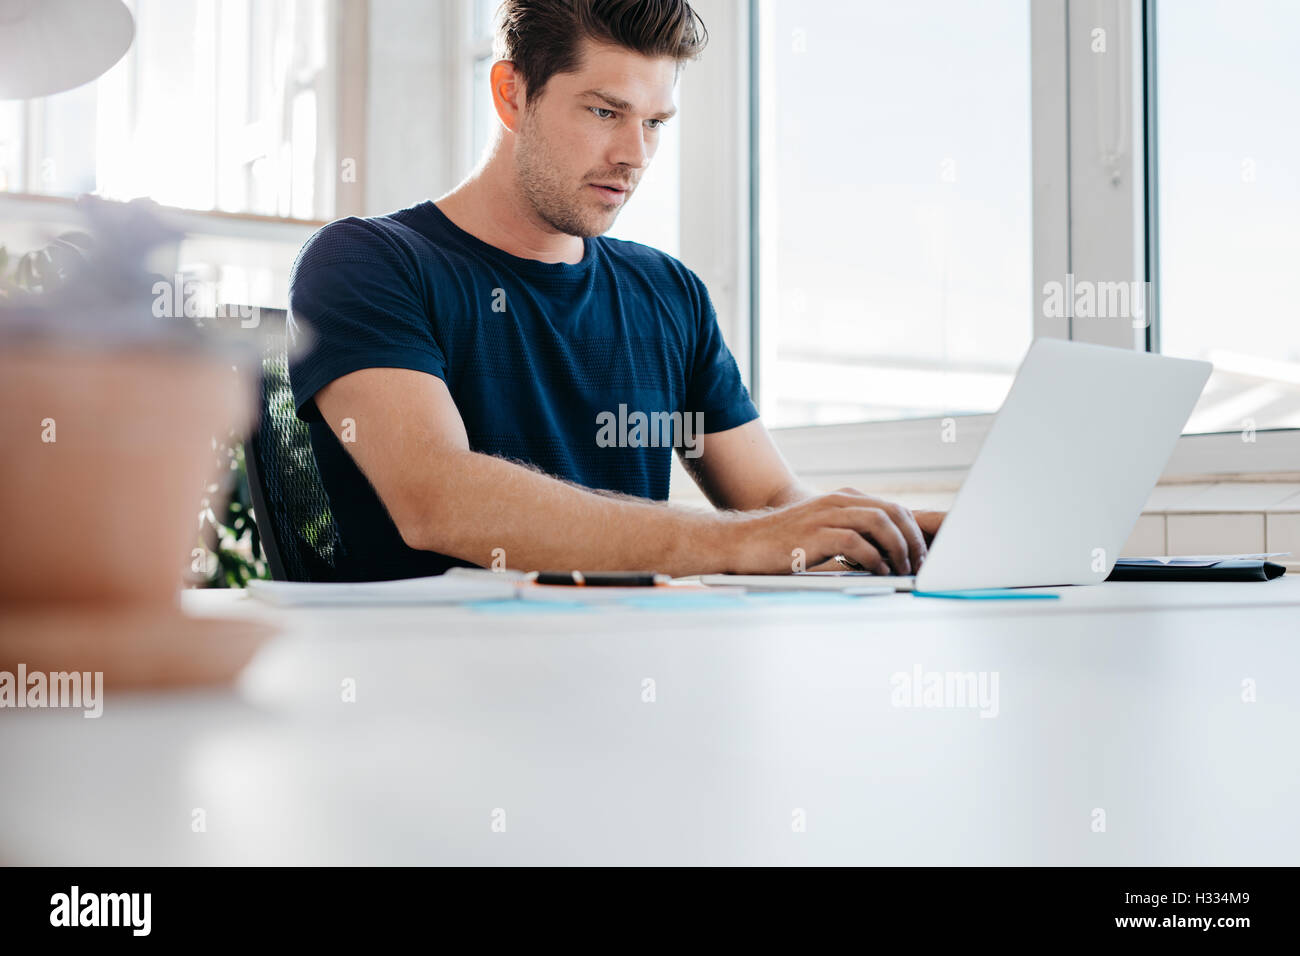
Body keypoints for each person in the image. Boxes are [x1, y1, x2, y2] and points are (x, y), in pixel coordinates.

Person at [288, 0, 943, 582]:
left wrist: (898, 530)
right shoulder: (367, 263)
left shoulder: (667, 291)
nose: (636, 155)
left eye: (656, 122)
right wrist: (738, 541)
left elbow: (771, 499)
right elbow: (439, 498)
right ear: (511, 94)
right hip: (434, 687)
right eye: (606, 111)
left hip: (629, 670)